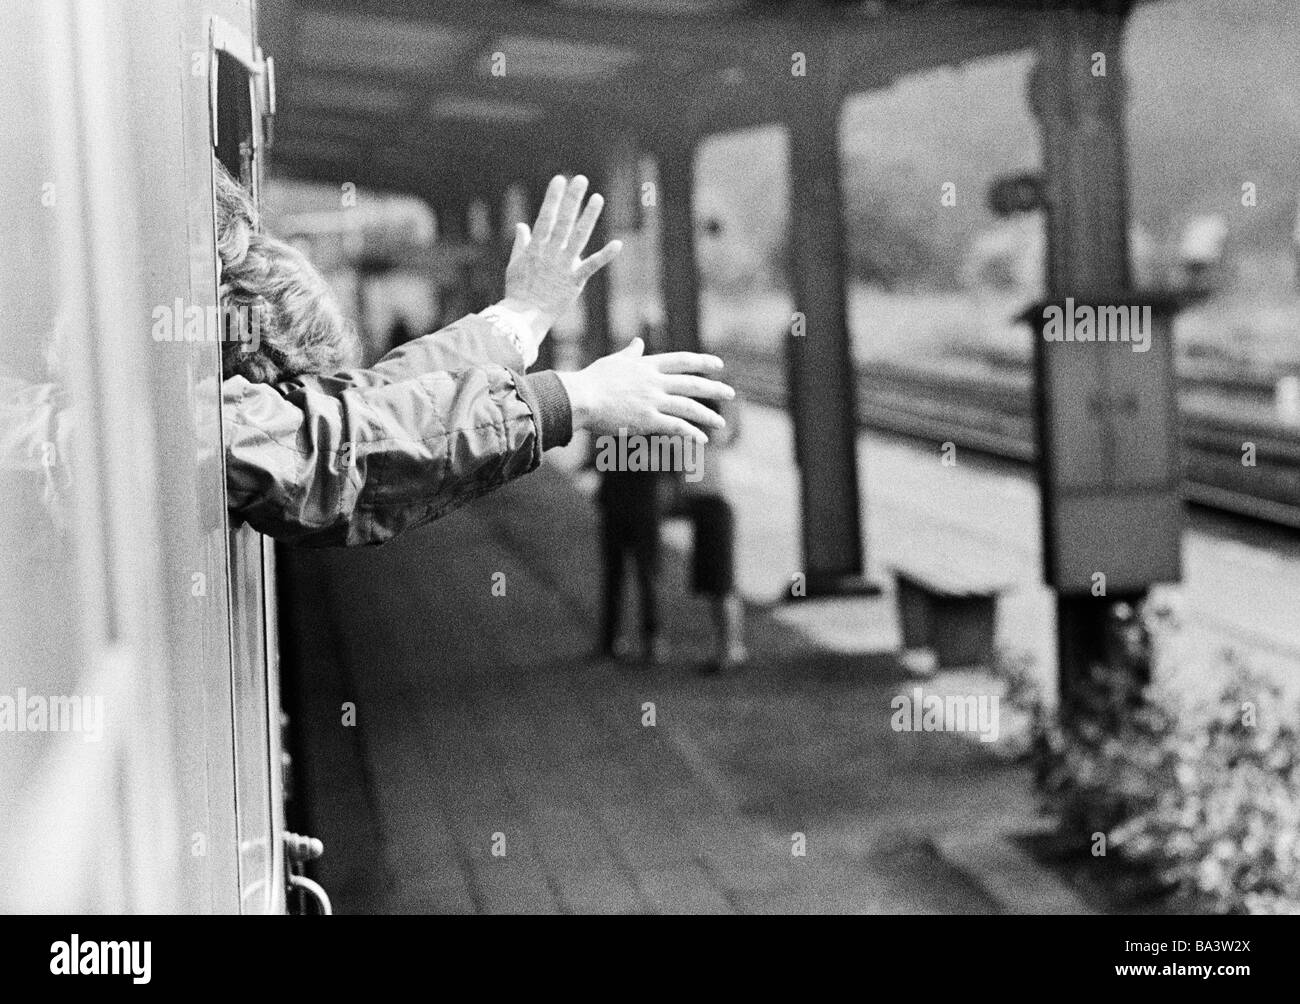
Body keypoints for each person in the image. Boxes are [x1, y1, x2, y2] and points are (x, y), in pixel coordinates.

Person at [213, 164, 734, 545]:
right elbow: (330, 450)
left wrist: (519, 319)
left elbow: (359, 406)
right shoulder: (201, 422)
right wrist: (569, 398)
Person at [683, 394, 747, 674]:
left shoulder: (706, 442)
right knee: (716, 586)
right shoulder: (703, 443)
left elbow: (733, 430)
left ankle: (732, 649)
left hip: (715, 512)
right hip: (706, 513)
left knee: (722, 585)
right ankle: (728, 648)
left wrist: (736, 403)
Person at [594, 449, 669, 664]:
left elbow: (599, 458)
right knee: (642, 576)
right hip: (639, 507)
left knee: (622, 576)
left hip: (625, 505)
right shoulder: (656, 425)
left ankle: (618, 640)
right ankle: (647, 642)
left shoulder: (613, 422)